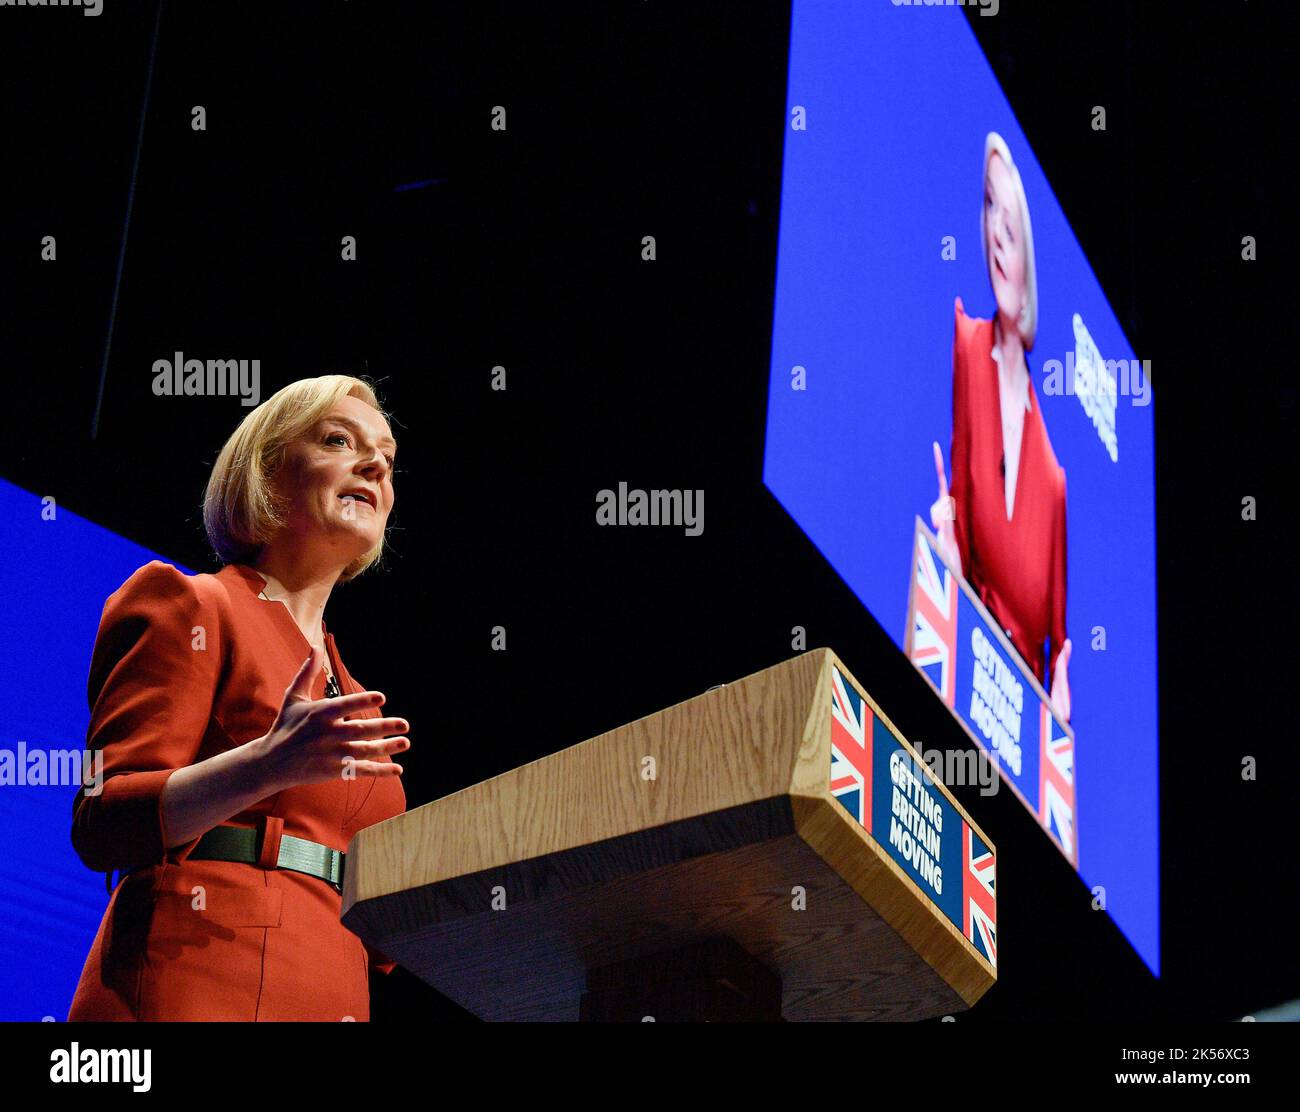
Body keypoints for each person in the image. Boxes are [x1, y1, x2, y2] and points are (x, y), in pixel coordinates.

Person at [67, 375, 412, 1020]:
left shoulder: (357, 694)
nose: (374, 465)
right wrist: (267, 764)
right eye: (340, 440)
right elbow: (102, 818)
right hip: (198, 979)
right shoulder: (195, 605)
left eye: (387, 459)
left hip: (332, 990)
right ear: (267, 475)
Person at [931, 132, 1071, 722]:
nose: (994, 235)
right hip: (959, 691)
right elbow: (958, 508)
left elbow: (1058, 653)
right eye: (988, 210)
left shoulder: (1055, 482)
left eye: (1010, 228)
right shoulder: (967, 345)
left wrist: (1059, 718)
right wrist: (947, 558)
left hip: (1019, 734)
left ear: (1029, 261)